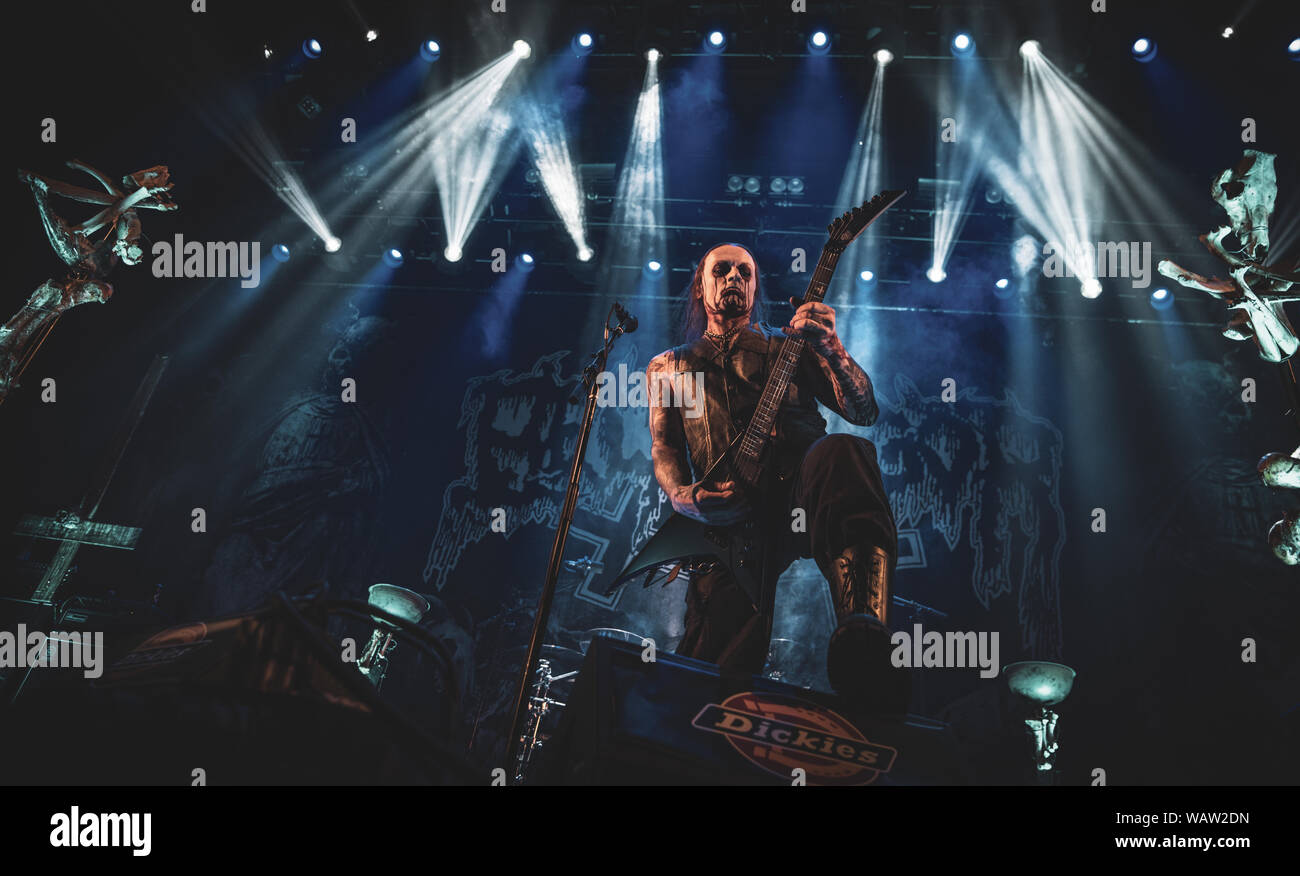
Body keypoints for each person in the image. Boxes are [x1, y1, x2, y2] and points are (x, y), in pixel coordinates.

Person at [646, 243, 897, 675]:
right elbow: (665, 446)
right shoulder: (670, 367)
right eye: (721, 270)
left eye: (745, 272)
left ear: (756, 284)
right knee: (712, 669)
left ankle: (865, 631)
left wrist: (833, 348)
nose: (734, 279)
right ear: (700, 285)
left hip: (800, 495)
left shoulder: (793, 348)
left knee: (844, 450)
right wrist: (682, 495)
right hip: (731, 520)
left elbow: (864, 412)